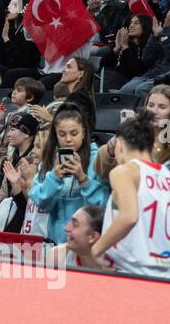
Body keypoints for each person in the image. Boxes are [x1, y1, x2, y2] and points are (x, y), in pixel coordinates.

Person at [91, 111, 170, 278]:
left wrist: (97, 249)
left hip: (128, 274)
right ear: (151, 145)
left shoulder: (125, 172)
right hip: (163, 277)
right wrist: (168, 257)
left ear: (119, 145)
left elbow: (129, 217)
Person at [28, 105, 110, 246]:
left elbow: (105, 205)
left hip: (89, 244)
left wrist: (83, 179)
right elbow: (40, 202)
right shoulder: (48, 163)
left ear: (83, 133)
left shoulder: (97, 162)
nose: (68, 139)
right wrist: (54, 178)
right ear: (55, 134)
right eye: (62, 134)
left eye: (74, 133)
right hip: (55, 243)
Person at [46, 205, 113, 271]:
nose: (66, 228)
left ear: (92, 237)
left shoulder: (116, 268)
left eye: (75, 224)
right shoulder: (57, 256)